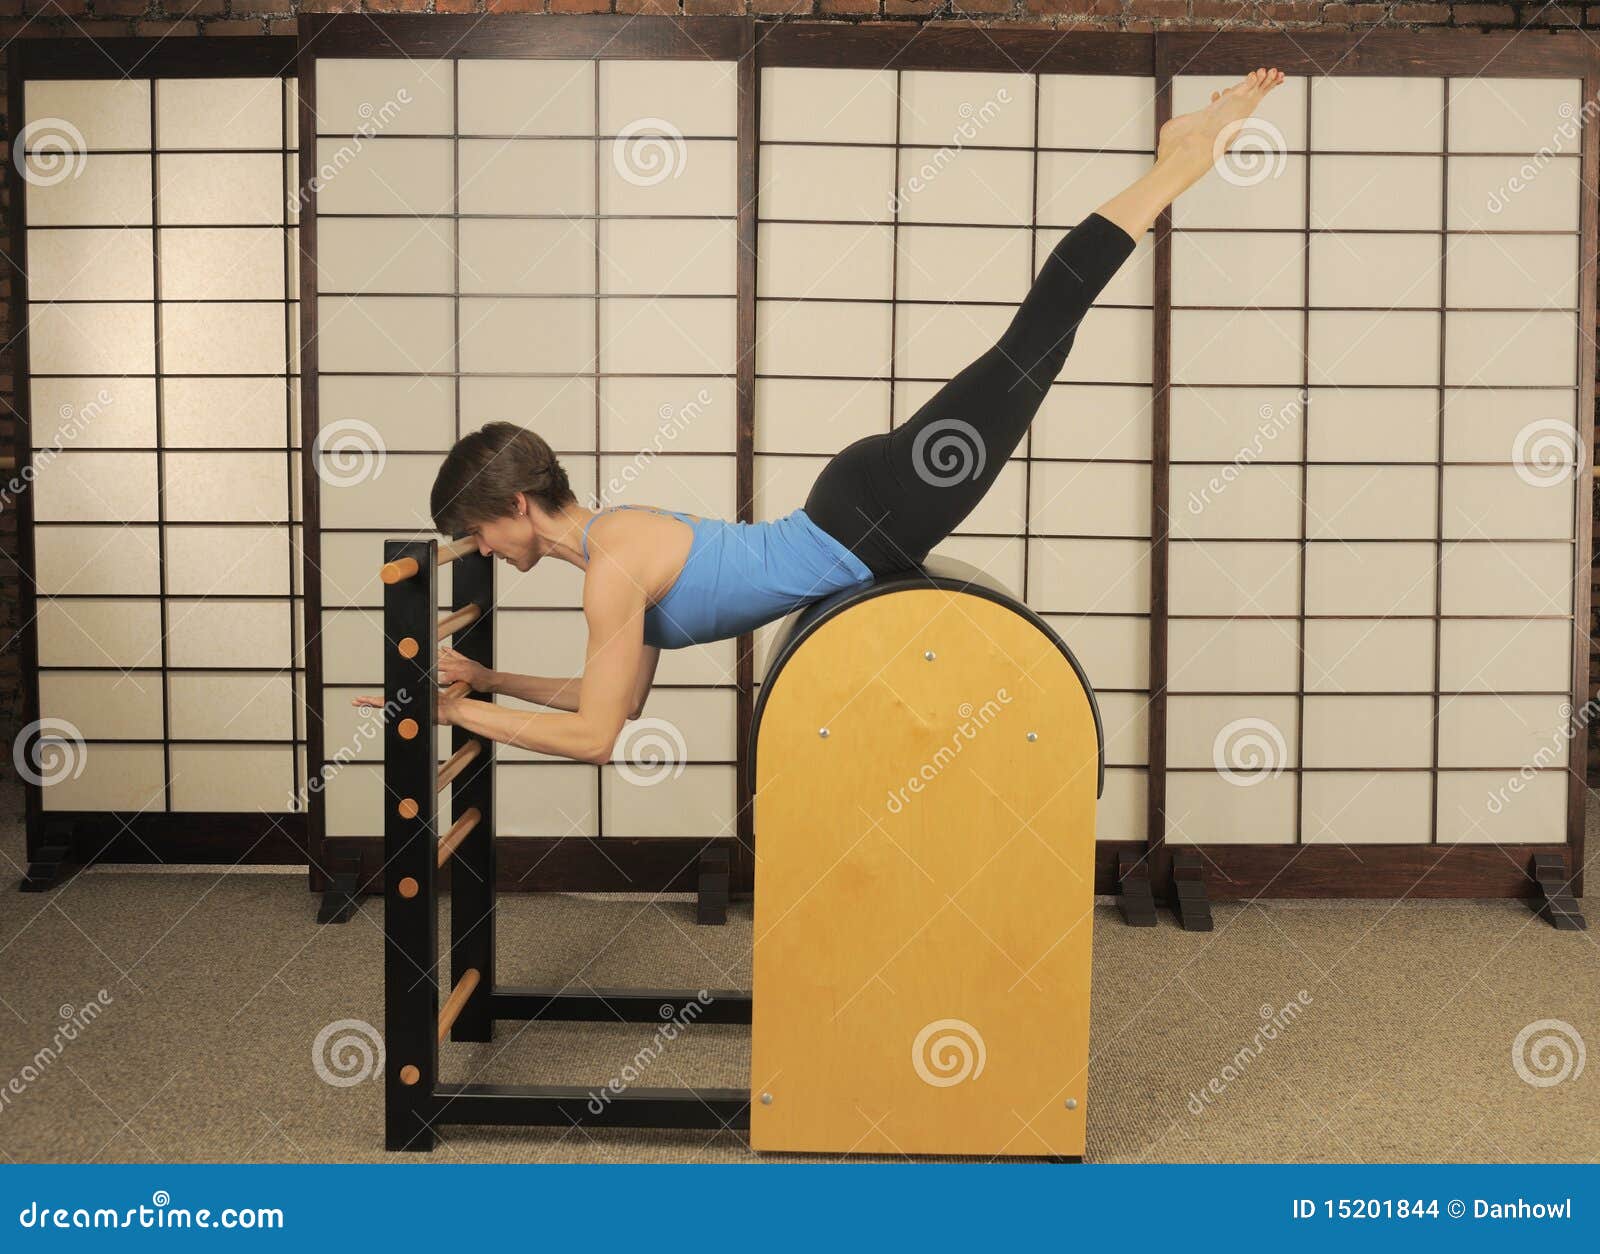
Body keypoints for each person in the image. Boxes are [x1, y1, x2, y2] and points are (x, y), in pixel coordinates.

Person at [357, 68, 1287, 765]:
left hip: (871, 512)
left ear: (516, 503)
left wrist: (452, 715)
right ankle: (1177, 161)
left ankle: (1179, 160)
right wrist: (484, 684)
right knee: (1031, 352)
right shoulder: (607, 559)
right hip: (858, 510)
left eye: (470, 529)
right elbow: (613, 704)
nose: (473, 547)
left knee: (1032, 347)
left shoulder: (611, 569)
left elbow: (597, 738)